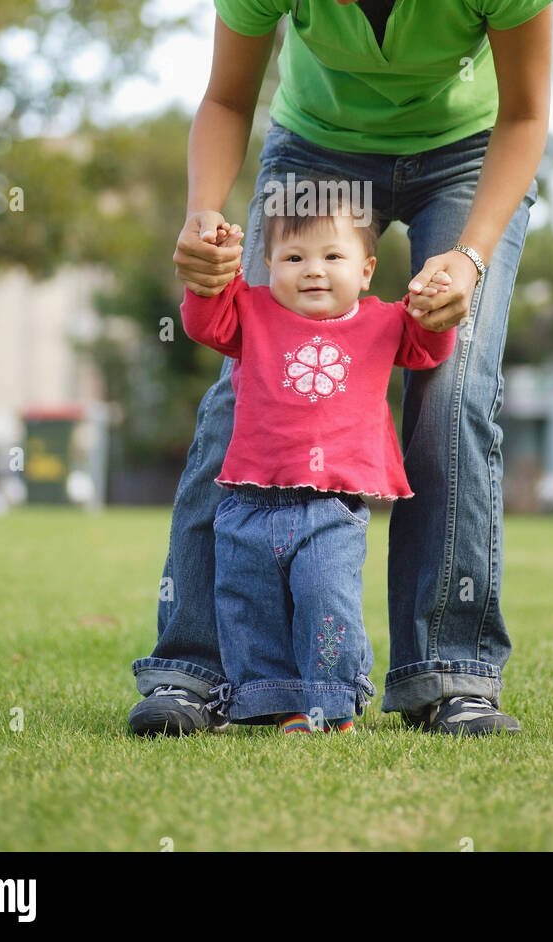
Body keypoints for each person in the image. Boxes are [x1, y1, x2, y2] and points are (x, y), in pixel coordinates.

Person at [129, 0, 553, 737]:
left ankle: (448, 671)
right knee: (246, 391)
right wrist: (205, 217)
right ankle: (193, 669)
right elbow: (227, 101)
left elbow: (527, 117)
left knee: (452, 395)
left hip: (467, 155)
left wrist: (470, 258)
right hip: (318, 153)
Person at [177, 183, 457, 733]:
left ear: (367, 269)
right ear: (267, 265)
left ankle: (329, 704)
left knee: (326, 600)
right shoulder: (252, 312)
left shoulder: (383, 321)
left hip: (330, 506)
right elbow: (204, 323)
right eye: (294, 258)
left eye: (333, 257)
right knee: (248, 604)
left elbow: (427, 347)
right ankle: (272, 702)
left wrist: (431, 308)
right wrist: (210, 272)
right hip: (248, 502)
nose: (313, 270)